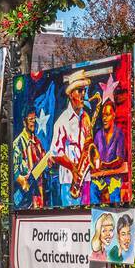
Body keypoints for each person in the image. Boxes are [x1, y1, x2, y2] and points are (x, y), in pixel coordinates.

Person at [49, 70, 90, 205]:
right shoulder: (62, 121)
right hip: (69, 182)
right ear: (71, 94)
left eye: (84, 90)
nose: (83, 94)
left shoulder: (86, 118)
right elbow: (55, 153)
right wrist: (73, 168)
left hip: (86, 178)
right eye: (79, 91)